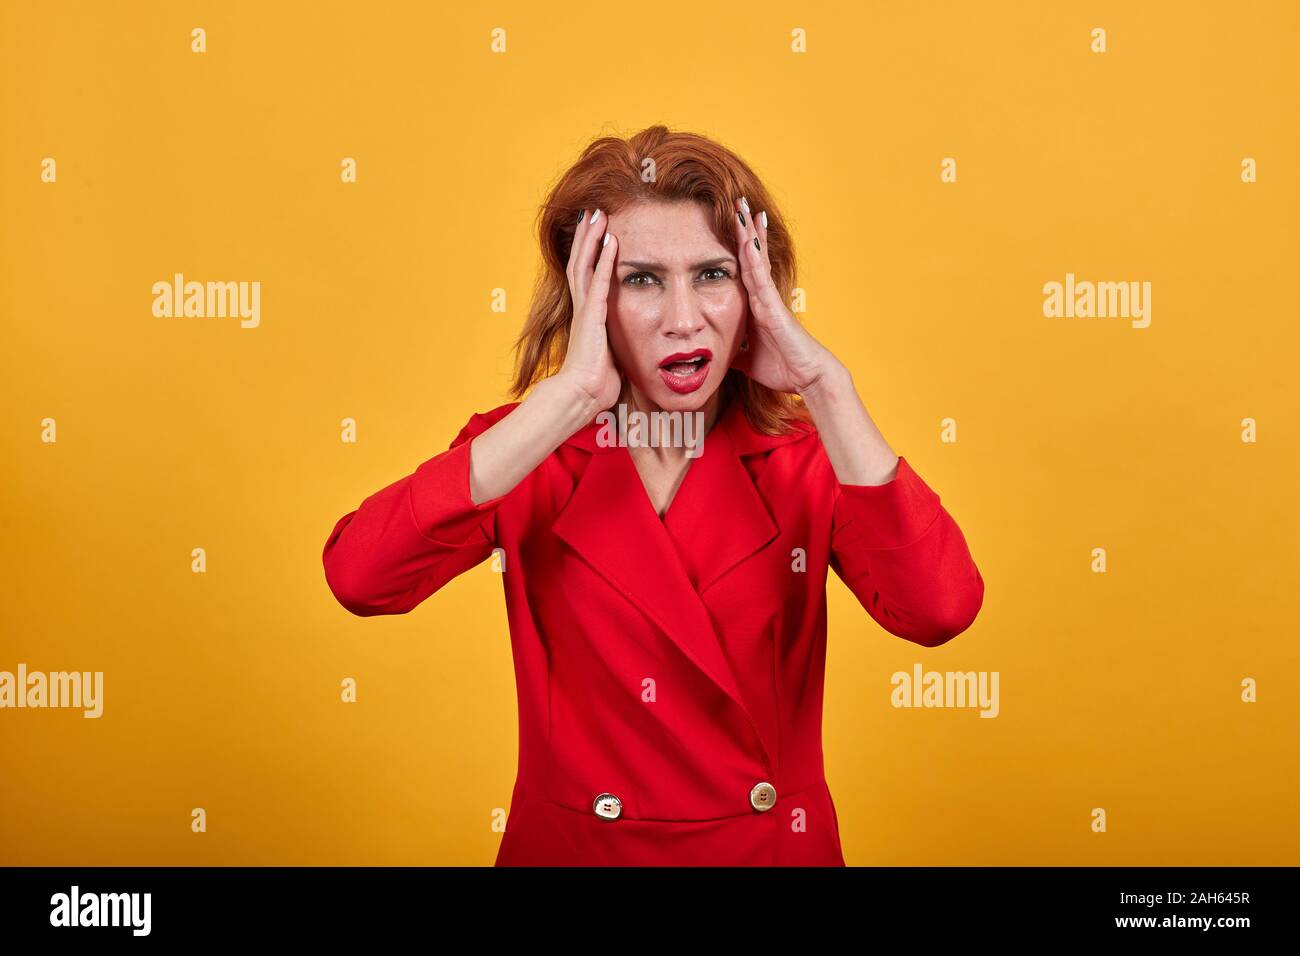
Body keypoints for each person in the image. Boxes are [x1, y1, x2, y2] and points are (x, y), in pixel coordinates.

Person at [322, 125, 985, 866]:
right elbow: (361, 578)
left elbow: (939, 610)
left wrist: (828, 388)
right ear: (590, 296)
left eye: (712, 274)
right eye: (641, 279)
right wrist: (568, 397)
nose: (682, 318)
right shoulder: (529, 451)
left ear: (756, 290)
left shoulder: (813, 454)